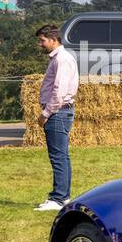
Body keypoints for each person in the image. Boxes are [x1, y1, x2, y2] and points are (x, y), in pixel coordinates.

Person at [34, 24, 79, 210]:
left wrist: (46, 114)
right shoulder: (61, 58)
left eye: (42, 41)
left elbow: (59, 91)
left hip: (57, 112)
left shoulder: (61, 59)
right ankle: (62, 196)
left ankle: (59, 198)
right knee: (62, 156)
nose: (40, 44)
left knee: (58, 156)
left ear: (53, 40)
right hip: (60, 111)